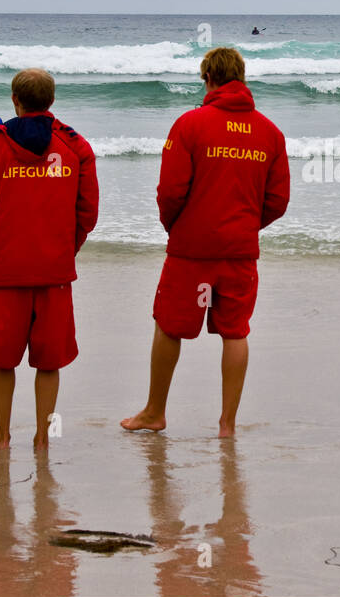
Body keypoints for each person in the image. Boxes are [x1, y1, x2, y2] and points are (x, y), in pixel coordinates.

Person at [121, 47, 289, 438]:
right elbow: (277, 201)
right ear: (241, 79)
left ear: (208, 78)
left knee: (169, 326)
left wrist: (176, 227)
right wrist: (246, 225)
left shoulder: (189, 124)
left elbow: (170, 191)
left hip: (191, 249)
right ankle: (227, 425)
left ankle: (154, 412)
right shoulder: (270, 132)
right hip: (240, 250)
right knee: (236, 331)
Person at [0, 68, 99, 450]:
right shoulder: (75, 147)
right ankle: (42, 438)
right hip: (54, 270)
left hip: (7, 271)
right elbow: (87, 212)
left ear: (14, 100)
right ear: (52, 102)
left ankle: (3, 438)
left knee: (3, 360)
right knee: (48, 361)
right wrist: (63, 249)